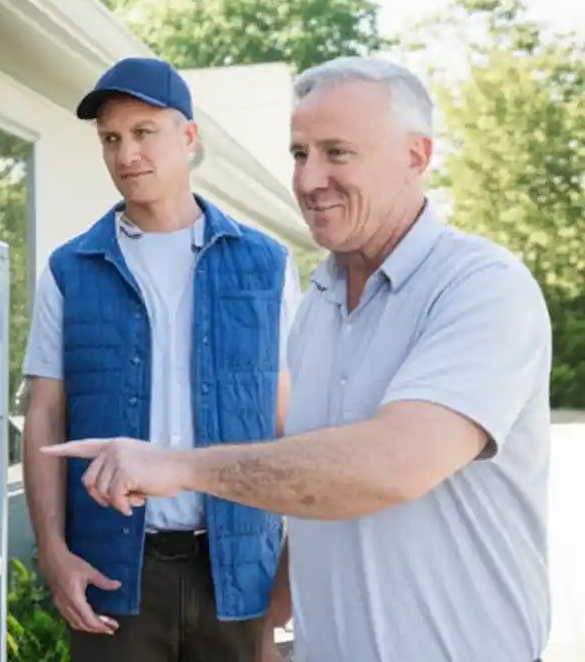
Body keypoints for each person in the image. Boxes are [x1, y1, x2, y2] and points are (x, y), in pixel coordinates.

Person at [43, 56, 553, 662]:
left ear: (417, 156)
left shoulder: (480, 287)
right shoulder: (320, 306)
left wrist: (178, 467)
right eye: (299, 154)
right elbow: (308, 481)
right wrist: (271, 618)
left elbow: (392, 465)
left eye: (338, 153)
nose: (310, 180)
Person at [20, 55, 302, 661]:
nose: (126, 155)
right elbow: (45, 415)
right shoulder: (70, 269)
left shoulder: (268, 266)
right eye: (111, 139)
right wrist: (52, 552)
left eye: (144, 133)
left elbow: (288, 422)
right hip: (114, 578)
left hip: (236, 573)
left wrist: (289, 568)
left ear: (189, 137)